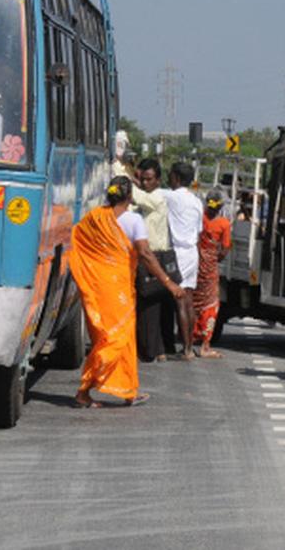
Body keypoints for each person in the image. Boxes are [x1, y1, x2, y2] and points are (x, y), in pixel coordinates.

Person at [71, 176, 183, 408]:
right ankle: (84, 390)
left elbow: (77, 242)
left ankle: (129, 391)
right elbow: (146, 254)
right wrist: (168, 282)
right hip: (116, 288)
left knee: (117, 336)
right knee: (115, 339)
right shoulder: (134, 220)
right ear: (130, 196)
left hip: (97, 284)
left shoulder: (95, 217)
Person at [160, 162, 203, 360]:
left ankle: (185, 350)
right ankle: (188, 346)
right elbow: (199, 231)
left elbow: (147, 193)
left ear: (176, 178)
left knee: (179, 301)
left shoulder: (171, 196)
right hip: (192, 252)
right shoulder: (197, 201)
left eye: (170, 175)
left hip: (177, 253)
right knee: (188, 300)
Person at [132, 158, 173, 362]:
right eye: (143, 179)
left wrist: (129, 180)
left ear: (158, 180)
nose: (145, 183)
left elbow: (134, 196)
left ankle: (149, 350)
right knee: (151, 306)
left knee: (148, 306)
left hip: (151, 257)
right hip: (148, 255)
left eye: (148, 179)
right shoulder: (149, 198)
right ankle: (156, 349)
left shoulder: (155, 198)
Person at [192, 190, 231, 358]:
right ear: (221, 206)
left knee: (193, 303)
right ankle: (205, 345)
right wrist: (215, 259)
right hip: (210, 268)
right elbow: (225, 247)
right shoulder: (223, 223)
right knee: (211, 305)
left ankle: (188, 340)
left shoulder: (199, 219)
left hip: (196, 265)